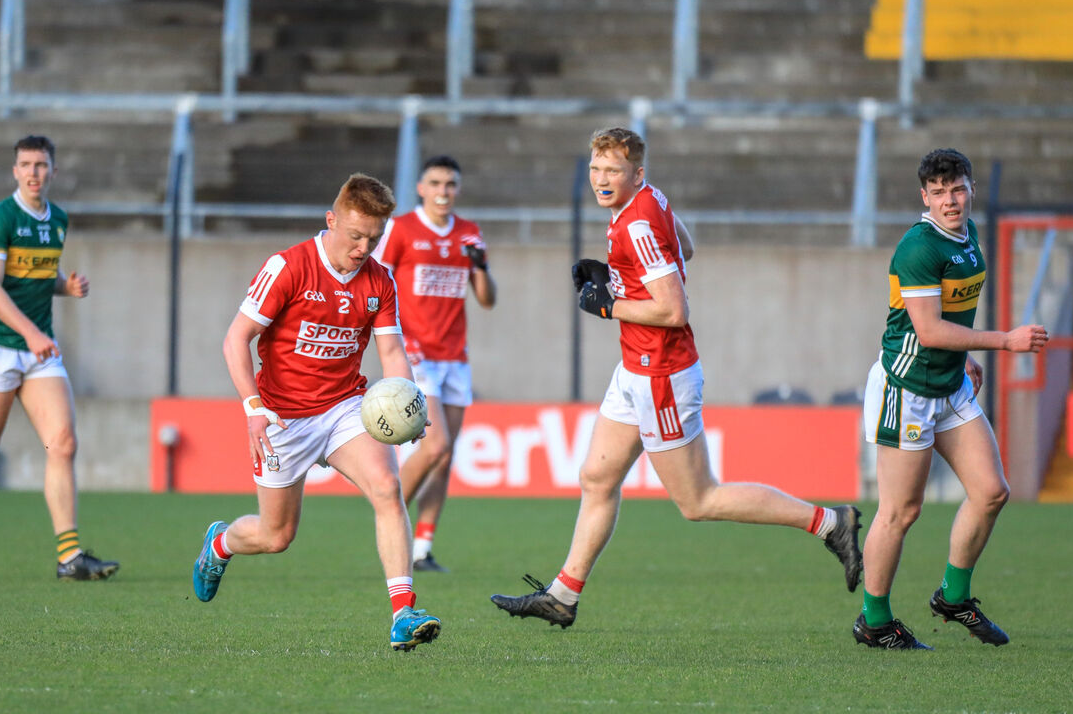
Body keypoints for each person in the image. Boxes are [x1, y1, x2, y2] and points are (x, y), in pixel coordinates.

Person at [490, 127, 863, 629]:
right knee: (597, 478)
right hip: (635, 368)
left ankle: (829, 522)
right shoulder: (649, 199)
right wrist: (618, 275)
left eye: (613, 172)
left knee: (699, 500)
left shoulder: (636, 224)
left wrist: (608, 304)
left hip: (660, 374)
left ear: (636, 173)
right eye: (597, 169)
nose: (602, 180)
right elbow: (686, 247)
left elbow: (672, 309)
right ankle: (563, 595)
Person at [193, 173, 442, 652]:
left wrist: (408, 397)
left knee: (388, 488)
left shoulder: (380, 280)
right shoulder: (288, 267)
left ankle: (403, 613)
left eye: (374, 238)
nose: (363, 247)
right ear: (331, 220)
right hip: (282, 416)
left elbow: (391, 352)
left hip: (347, 407)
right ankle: (220, 543)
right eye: (354, 235)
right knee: (276, 535)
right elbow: (234, 339)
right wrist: (253, 409)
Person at [852, 149, 1049, 650]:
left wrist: (965, 358)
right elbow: (929, 329)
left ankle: (952, 597)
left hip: (950, 383)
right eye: (938, 193)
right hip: (908, 389)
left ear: (971, 189)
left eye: (957, 189)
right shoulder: (919, 248)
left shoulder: (968, 234)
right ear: (924, 197)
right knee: (901, 511)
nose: (950, 201)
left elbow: (952, 318)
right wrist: (1004, 341)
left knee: (991, 492)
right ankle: (874, 621)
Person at [0, 135, 118, 582]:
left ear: (53, 171)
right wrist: (33, 332)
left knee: (64, 444)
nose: (34, 172)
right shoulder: (0, 219)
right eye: (25, 164)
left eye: (41, 164)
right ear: (14, 172)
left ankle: (69, 556)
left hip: (38, 350)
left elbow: (34, 275)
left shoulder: (57, 219)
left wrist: (64, 287)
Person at [372, 155, 497, 573]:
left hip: (454, 356)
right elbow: (377, 280)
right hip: (416, 352)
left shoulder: (469, 233)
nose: (443, 191)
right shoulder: (402, 229)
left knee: (446, 457)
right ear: (421, 188)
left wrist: (479, 265)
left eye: (451, 184)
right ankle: (388, 520)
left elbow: (487, 299)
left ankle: (422, 548)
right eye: (436, 183)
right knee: (436, 444)